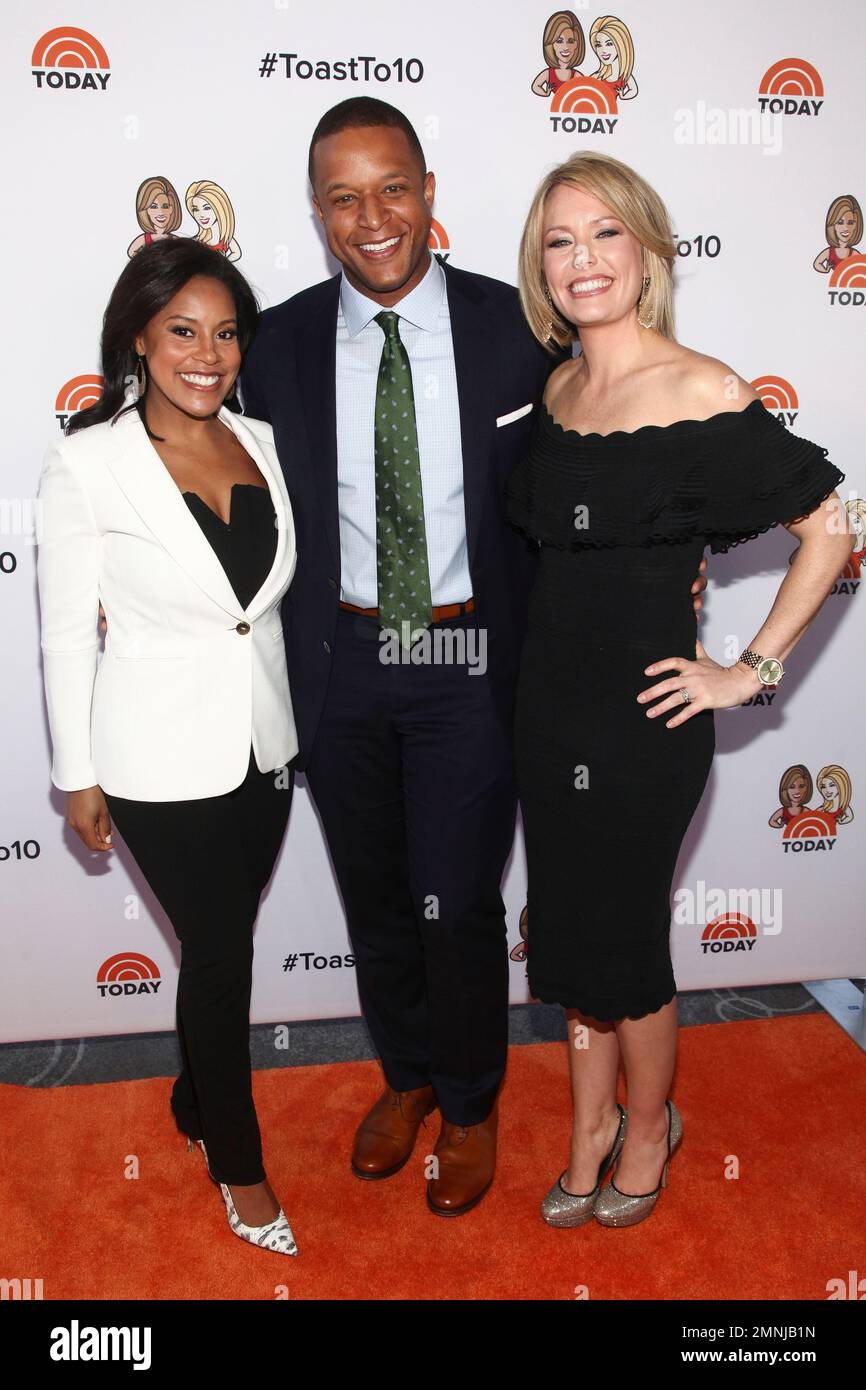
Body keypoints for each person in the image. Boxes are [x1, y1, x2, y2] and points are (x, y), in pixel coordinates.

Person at [238, 98, 708, 1216]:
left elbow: (610, 453)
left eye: (391, 186)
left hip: (472, 655)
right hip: (341, 655)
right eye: (343, 196)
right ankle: (404, 1076)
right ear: (316, 212)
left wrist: (668, 562)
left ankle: (469, 1097)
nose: (371, 216)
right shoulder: (278, 343)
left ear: (428, 190)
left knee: (458, 893)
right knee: (377, 893)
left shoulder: (519, 330)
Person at [504, 149, 852, 1229]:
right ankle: (587, 1127)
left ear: (648, 250)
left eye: (605, 233)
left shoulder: (703, 388)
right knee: (564, 935)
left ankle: (649, 1126)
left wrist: (746, 668)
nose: (583, 260)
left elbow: (829, 529)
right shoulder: (554, 386)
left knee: (622, 939)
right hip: (546, 708)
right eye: (559, 241)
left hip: (646, 722)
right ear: (540, 265)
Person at [36, 238, 299, 1255]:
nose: (207, 353)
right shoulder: (85, 460)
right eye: (182, 330)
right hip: (150, 757)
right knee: (224, 947)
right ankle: (239, 1164)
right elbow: (64, 630)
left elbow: (261, 614)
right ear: (138, 337)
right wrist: (76, 775)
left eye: (226, 332)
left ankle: (196, 1095)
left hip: (264, 747)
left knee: (213, 944)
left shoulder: (265, 441)